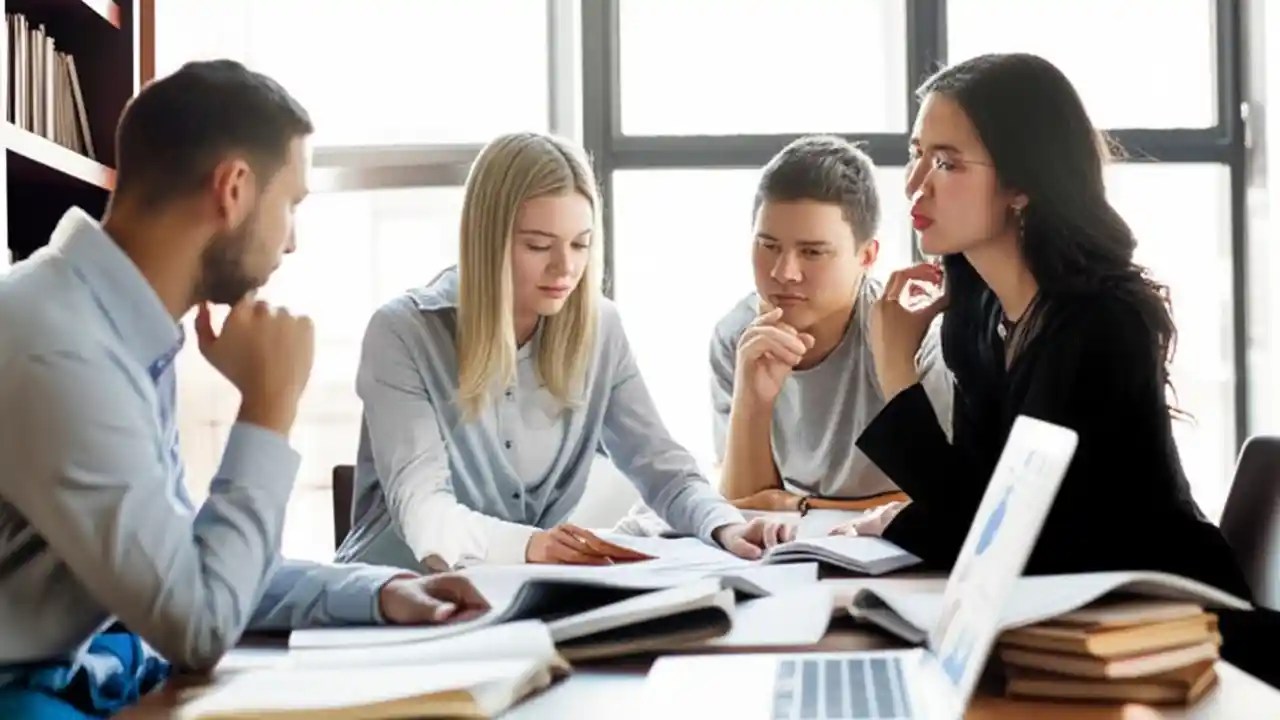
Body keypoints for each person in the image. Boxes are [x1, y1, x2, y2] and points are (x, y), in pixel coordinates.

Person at [0, 60, 488, 718]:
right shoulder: (59, 347)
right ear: (233, 188)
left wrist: (379, 592)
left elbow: (188, 569)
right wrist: (267, 407)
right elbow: (197, 623)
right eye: (291, 205)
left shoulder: (112, 326)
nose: (292, 241)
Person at [835, 52, 1276, 687]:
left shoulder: (1102, 324)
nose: (914, 184)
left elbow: (998, 536)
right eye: (916, 153)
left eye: (947, 163)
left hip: (1174, 634)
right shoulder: (981, 312)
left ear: (1023, 185)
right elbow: (981, 507)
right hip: (1065, 623)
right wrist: (901, 520)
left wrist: (894, 368)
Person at [335, 131, 791, 572]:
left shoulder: (600, 327)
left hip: (515, 595)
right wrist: (534, 545)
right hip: (388, 602)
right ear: (486, 239)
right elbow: (425, 518)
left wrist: (727, 527)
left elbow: (661, 467)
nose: (565, 268)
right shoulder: (402, 332)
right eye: (538, 245)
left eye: (581, 244)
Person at [709, 135, 952, 510]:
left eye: (812, 252)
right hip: (784, 557)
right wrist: (753, 401)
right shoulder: (737, 337)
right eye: (768, 245)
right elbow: (745, 508)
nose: (784, 272)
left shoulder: (912, 337)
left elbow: (943, 502)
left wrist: (799, 506)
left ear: (867, 256)